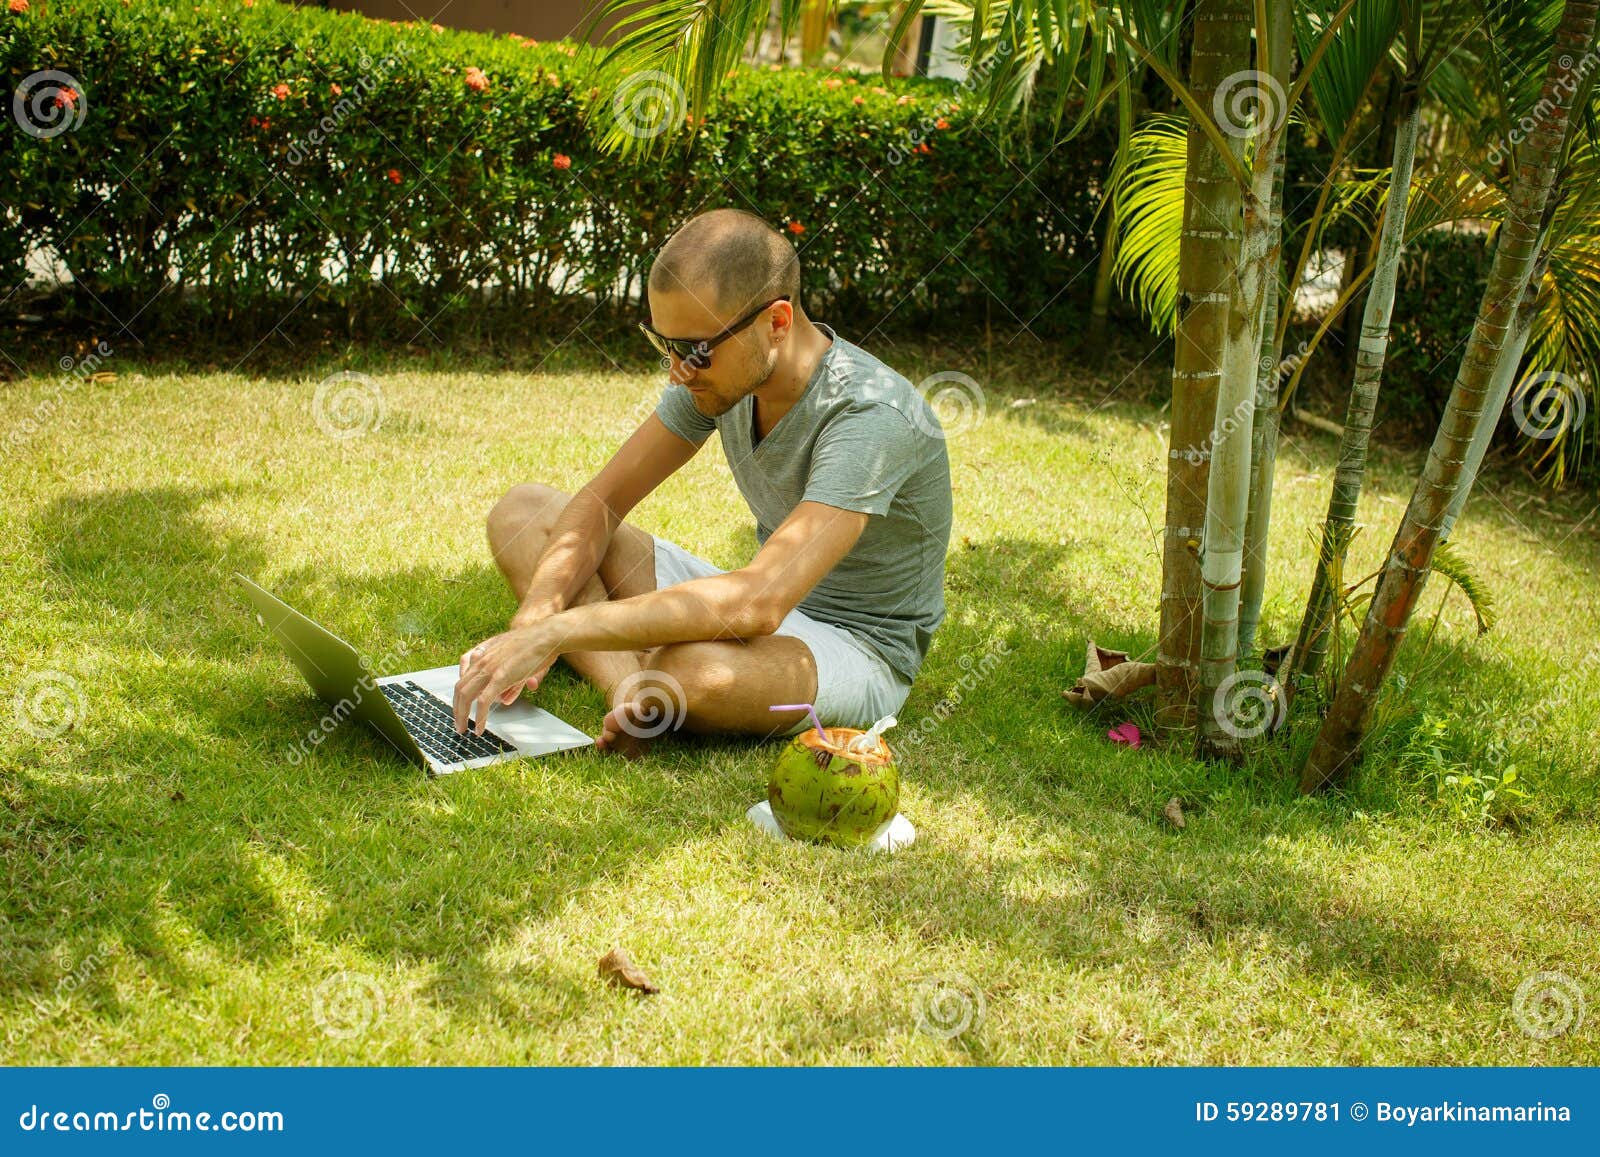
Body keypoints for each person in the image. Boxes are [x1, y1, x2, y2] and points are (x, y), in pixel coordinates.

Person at [452, 208, 952, 756]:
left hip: (858, 648)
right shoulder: (721, 377)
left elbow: (760, 602)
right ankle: (629, 693)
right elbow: (601, 502)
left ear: (777, 324)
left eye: (693, 349)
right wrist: (538, 612)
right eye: (662, 343)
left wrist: (555, 633)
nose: (676, 370)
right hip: (767, 603)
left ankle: (654, 687)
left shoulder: (871, 416)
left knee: (689, 671)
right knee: (524, 514)